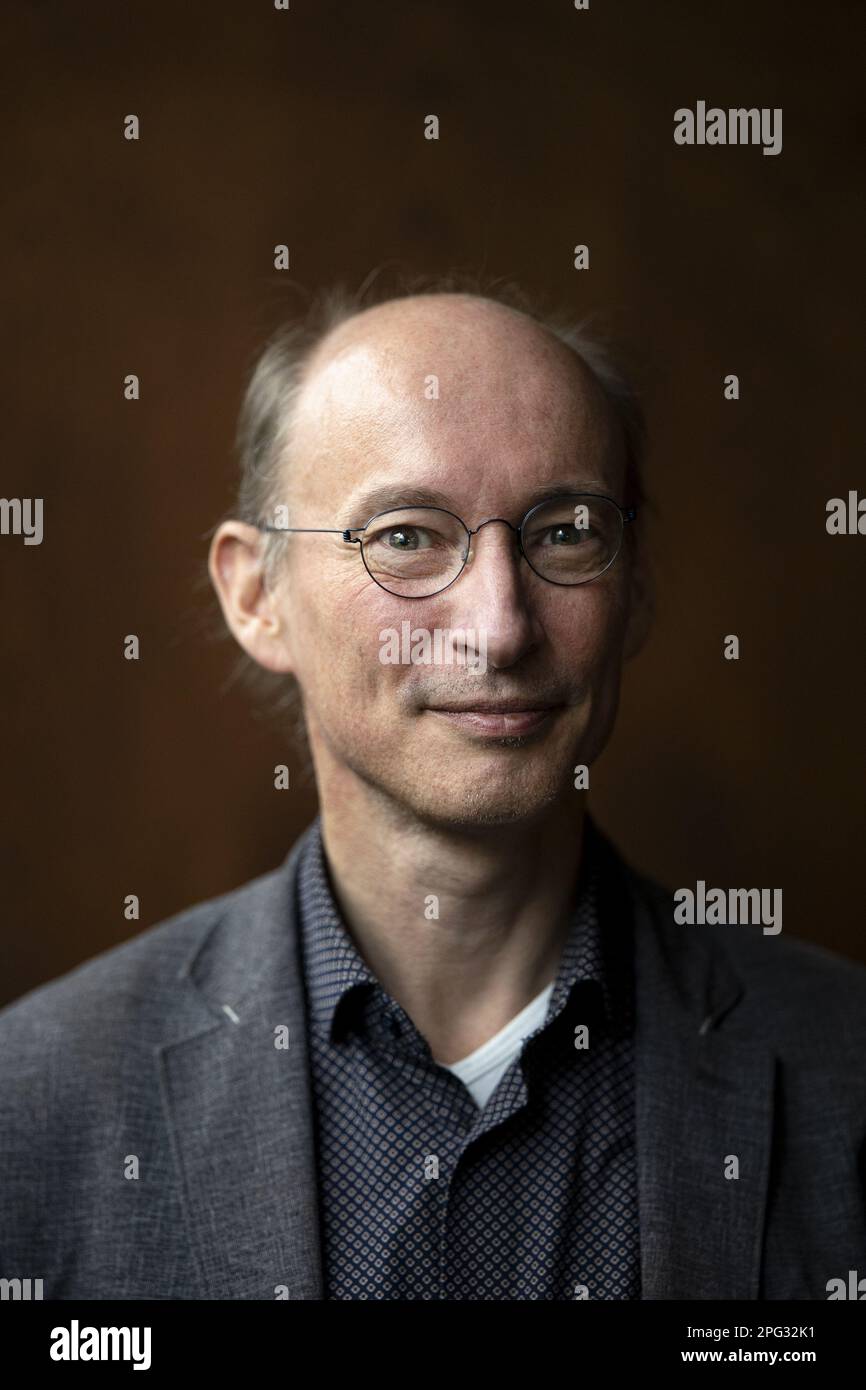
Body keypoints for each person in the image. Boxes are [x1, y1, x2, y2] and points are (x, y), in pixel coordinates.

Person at [1, 280, 864, 1301]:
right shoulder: (34, 1104)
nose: (498, 627)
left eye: (562, 532)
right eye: (406, 535)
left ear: (631, 586)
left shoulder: (841, 1071)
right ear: (254, 594)